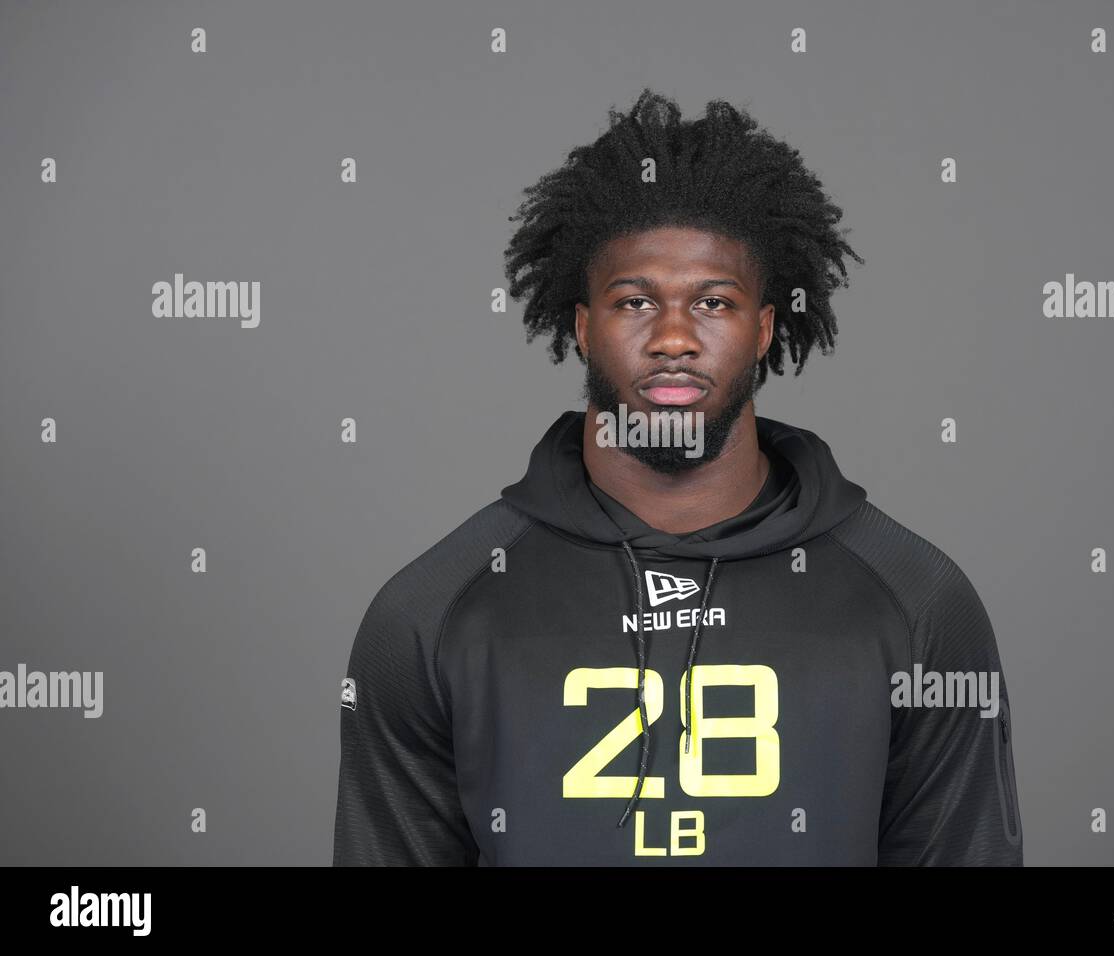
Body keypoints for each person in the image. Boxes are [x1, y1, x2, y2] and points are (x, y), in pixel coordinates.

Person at [332, 89, 1023, 866]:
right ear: (583, 325)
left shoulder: (918, 602)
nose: (672, 337)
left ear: (763, 327)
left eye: (713, 302)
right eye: (635, 302)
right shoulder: (432, 613)